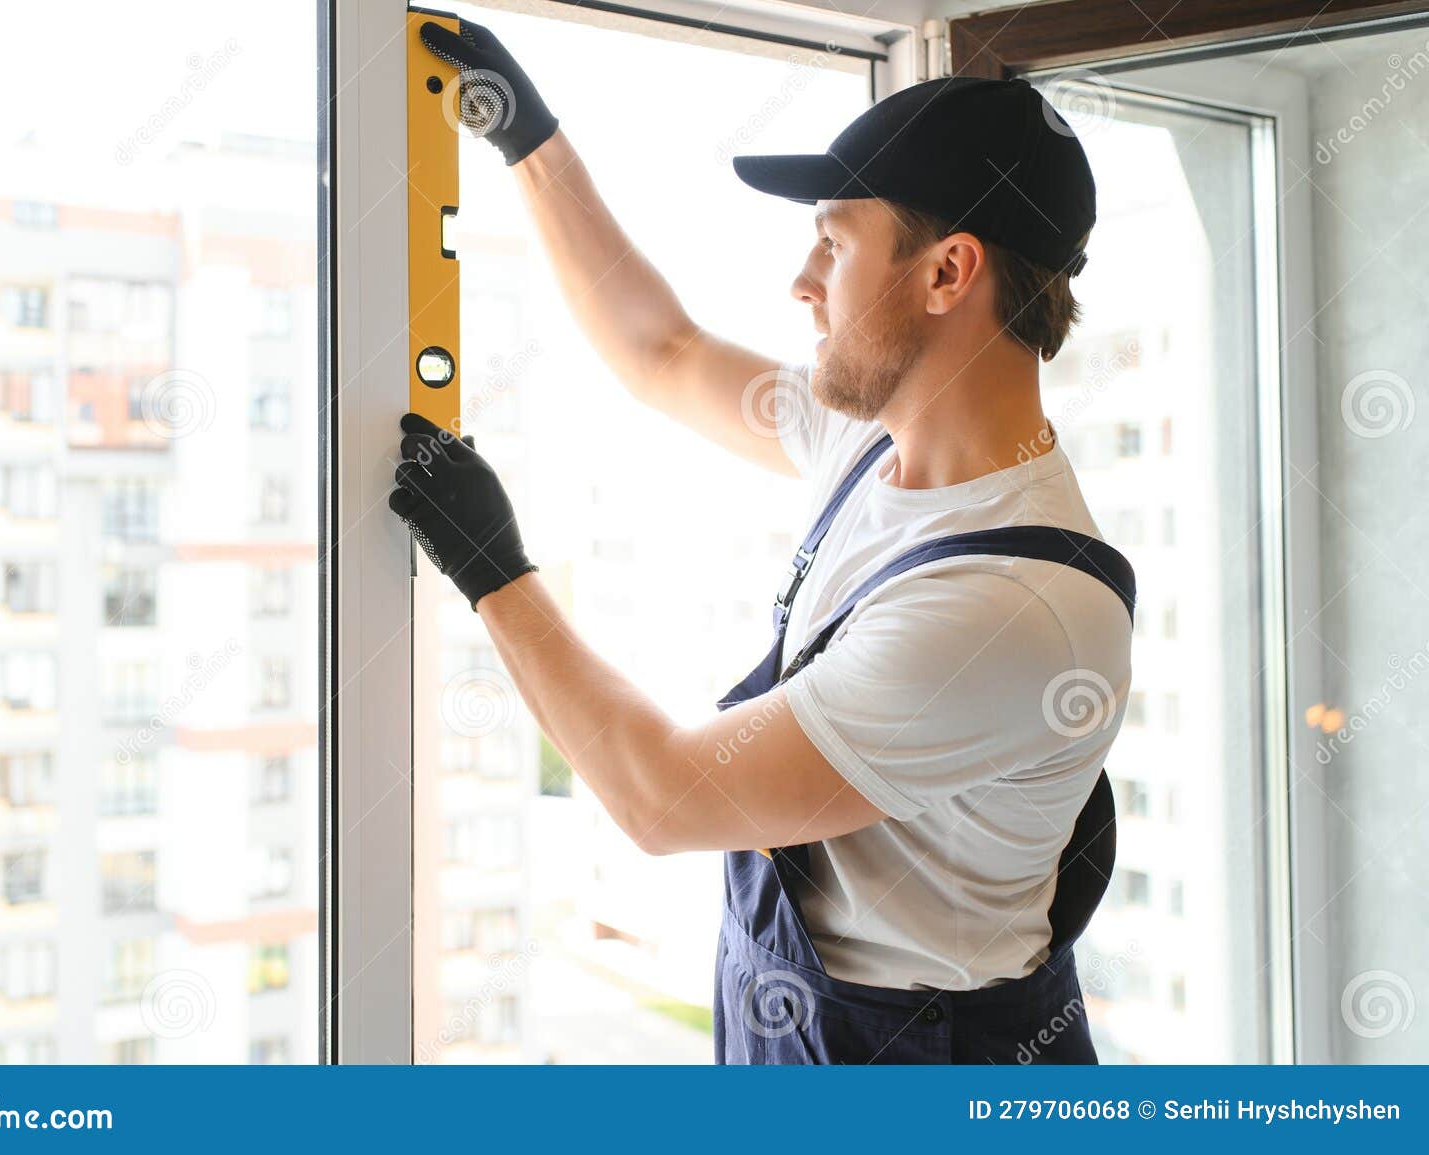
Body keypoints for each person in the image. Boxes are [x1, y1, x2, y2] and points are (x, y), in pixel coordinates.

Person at [393, 17, 1135, 1064]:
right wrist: (529, 139)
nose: (800, 280)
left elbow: (663, 798)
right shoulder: (872, 445)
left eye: (832, 242)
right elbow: (663, 351)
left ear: (946, 273)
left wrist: (493, 572)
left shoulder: (1007, 608)